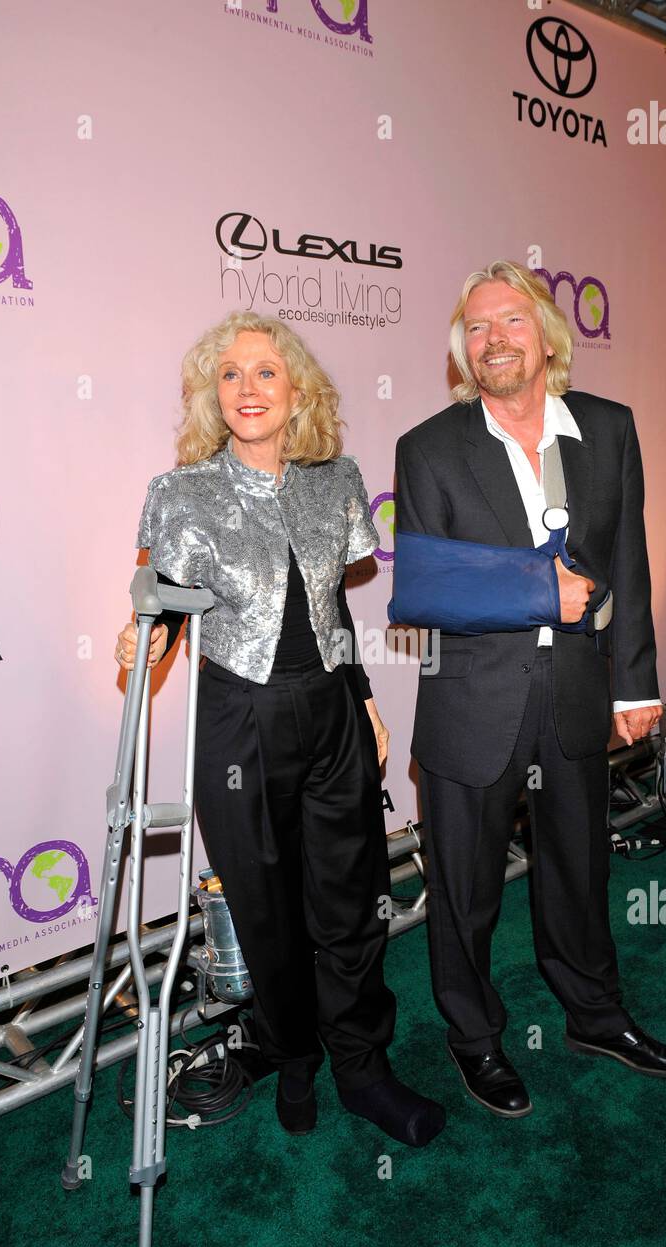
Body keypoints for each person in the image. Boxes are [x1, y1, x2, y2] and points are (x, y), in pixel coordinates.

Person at [116, 310, 445, 1148]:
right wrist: (142, 635)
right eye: (230, 374)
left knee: (349, 903)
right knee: (265, 912)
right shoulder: (180, 493)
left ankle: (362, 1066)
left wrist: (363, 694)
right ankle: (292, 1054)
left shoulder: (334, 478)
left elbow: (331, 601)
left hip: (331, 709)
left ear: (295, 387)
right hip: (238, 720)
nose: (248, 388)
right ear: (211, 394)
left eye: (266, 371)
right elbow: (164, 608)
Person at [393, 260, 666, 1119]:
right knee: (464, 886)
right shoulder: (430, 447)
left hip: (574, 692)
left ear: (546, 336)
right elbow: (419, 588)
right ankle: (475, 1038)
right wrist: (535, 594)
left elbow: (626, 564)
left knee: (579, 868)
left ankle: (595, 1016)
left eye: (510, 321)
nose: (494, 339)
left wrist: (634, 685)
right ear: (462, 351)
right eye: (476, 329)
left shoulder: (607, 427)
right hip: (469, 704)